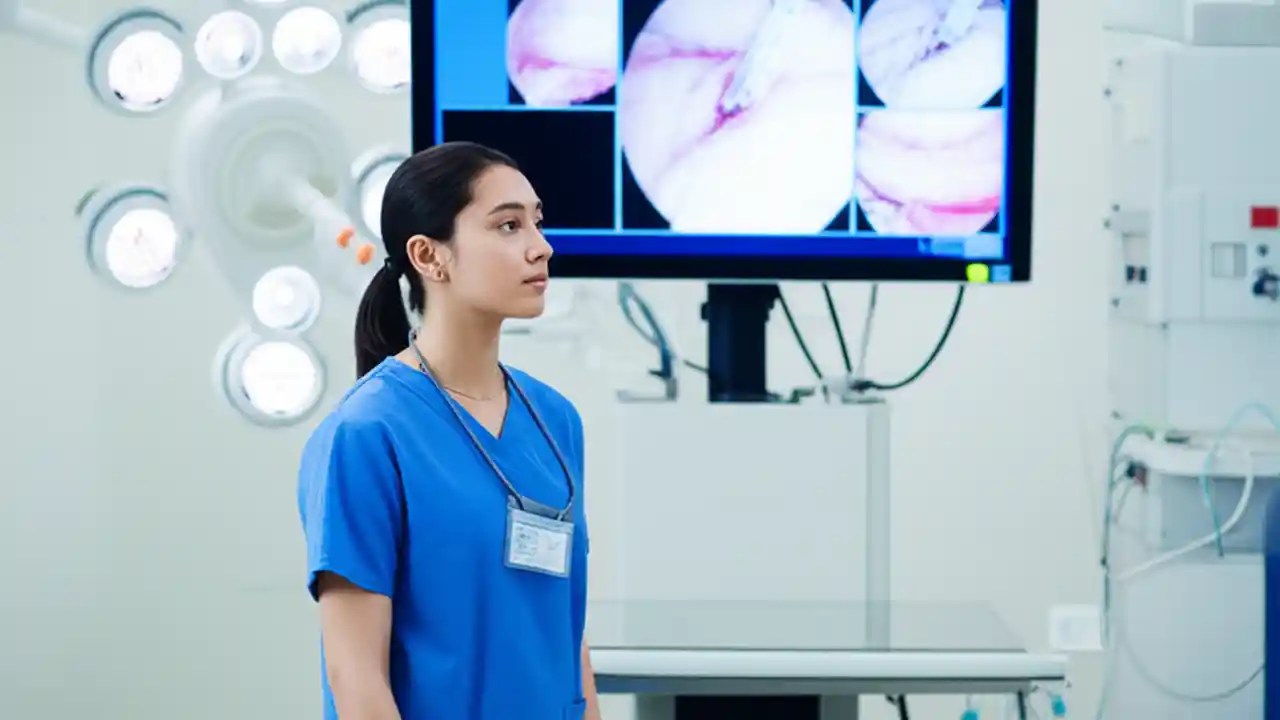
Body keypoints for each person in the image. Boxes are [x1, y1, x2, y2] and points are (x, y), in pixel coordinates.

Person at [296, 141, 601, 720]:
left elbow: (565, 633)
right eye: (508, 226)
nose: (541, 247)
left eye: (537, 222)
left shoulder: (556, 420)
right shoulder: (366, 434)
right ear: (429, 256)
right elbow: (355, 676)